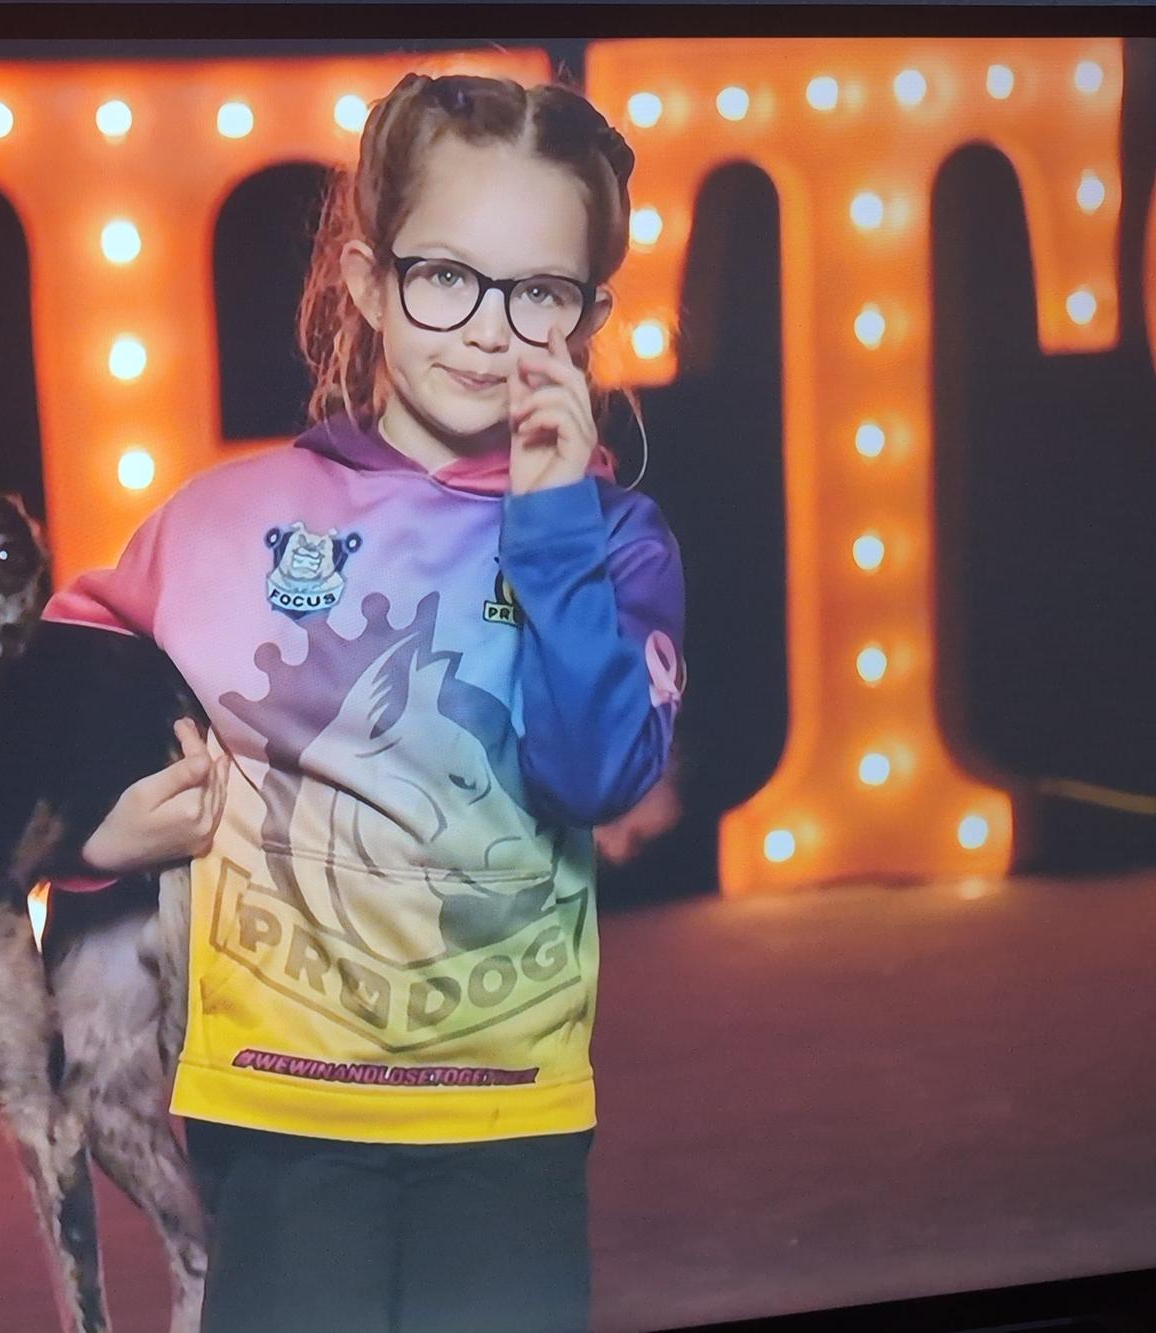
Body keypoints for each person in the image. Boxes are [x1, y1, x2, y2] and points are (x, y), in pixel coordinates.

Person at [42, 71, 686, 1333]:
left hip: (507, 1111)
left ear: (586, 315)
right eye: (445, 275)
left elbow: (595, 773)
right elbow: (45, 708)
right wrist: (81, 841)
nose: (489, 329)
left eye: (538, 294)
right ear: (368, 281)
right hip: (277, 1112)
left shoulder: (614, 539)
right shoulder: (225, 517)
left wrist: (547, 525)